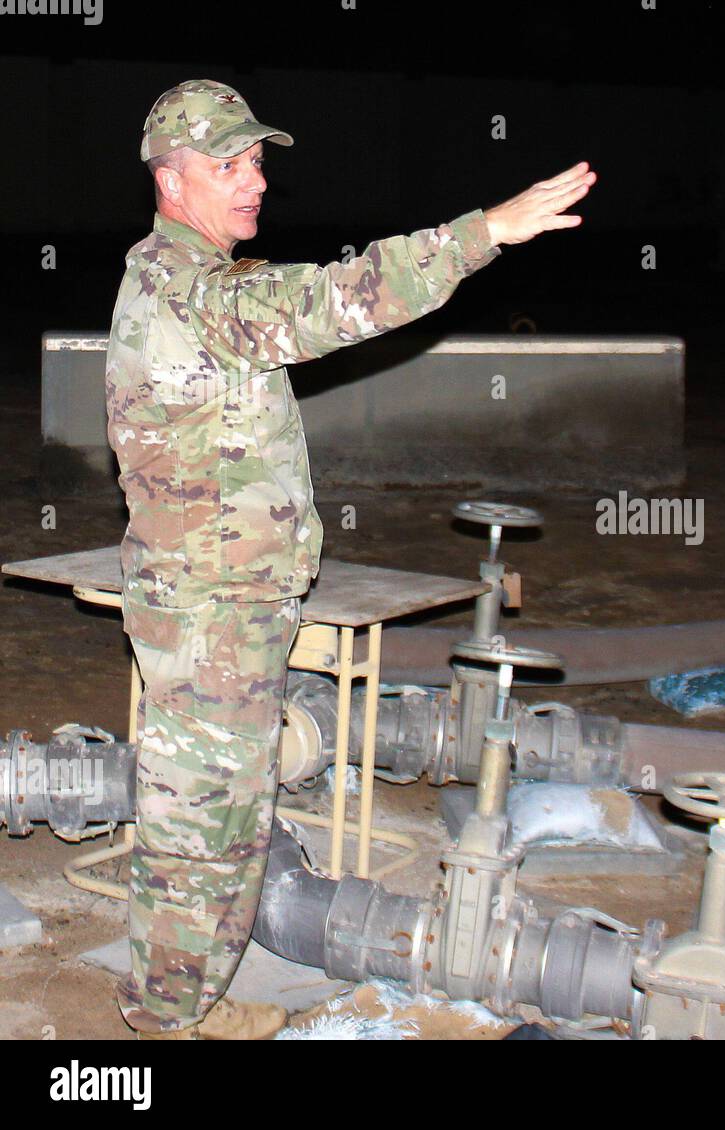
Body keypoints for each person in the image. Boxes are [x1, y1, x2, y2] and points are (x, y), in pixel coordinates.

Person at [106, 78, 595, 1038]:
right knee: (197, 828)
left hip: (227, 606)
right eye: (229, 165)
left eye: (257, 165)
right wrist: (482, 231)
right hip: (208, 614)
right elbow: (336, 298)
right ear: (171, 179)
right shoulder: (195, 289)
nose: (253, 185)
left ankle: (192, 995)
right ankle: (162, 1022)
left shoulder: (192, 284)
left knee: (230, 814)